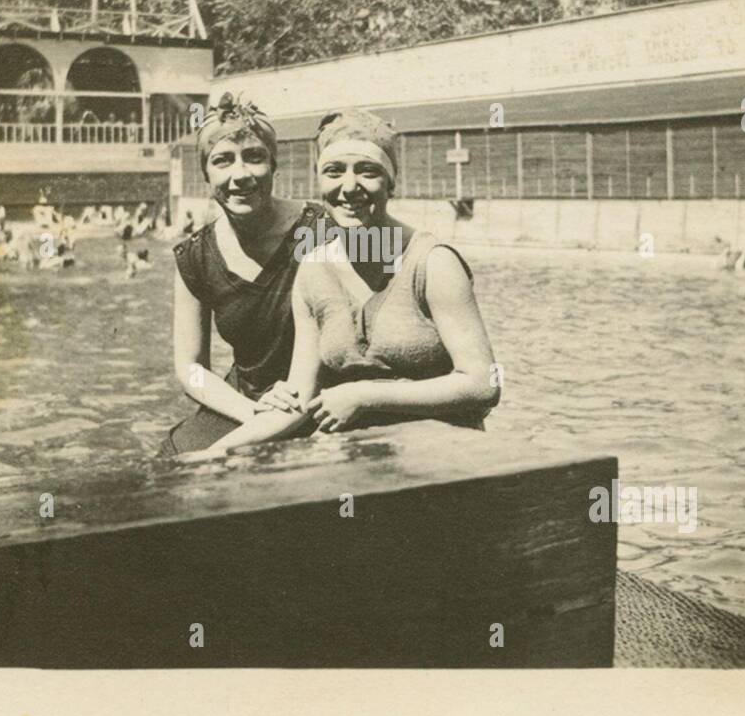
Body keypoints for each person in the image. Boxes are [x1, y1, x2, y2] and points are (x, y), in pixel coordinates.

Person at [198, 110, 499, 453]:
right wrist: (216, 453)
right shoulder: (313, 268)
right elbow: (300, 400)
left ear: (391, 181)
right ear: (320, 182)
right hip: (354, 456)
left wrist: (364, 395)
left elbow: (484, 383)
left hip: (440, 455)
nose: (349, 187)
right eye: (334, 172)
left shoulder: (432, 262)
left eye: (367, 171)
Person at [163, 93, 326, 456]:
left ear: (273, 165)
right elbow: (190, 367)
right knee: (174, 465)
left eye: (254, 157)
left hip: (320, 394)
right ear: (206, 173)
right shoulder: (194, 256)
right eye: (223, 161)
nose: (241, 175)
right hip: (248, 399)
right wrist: (251, 410)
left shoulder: (321, 230)